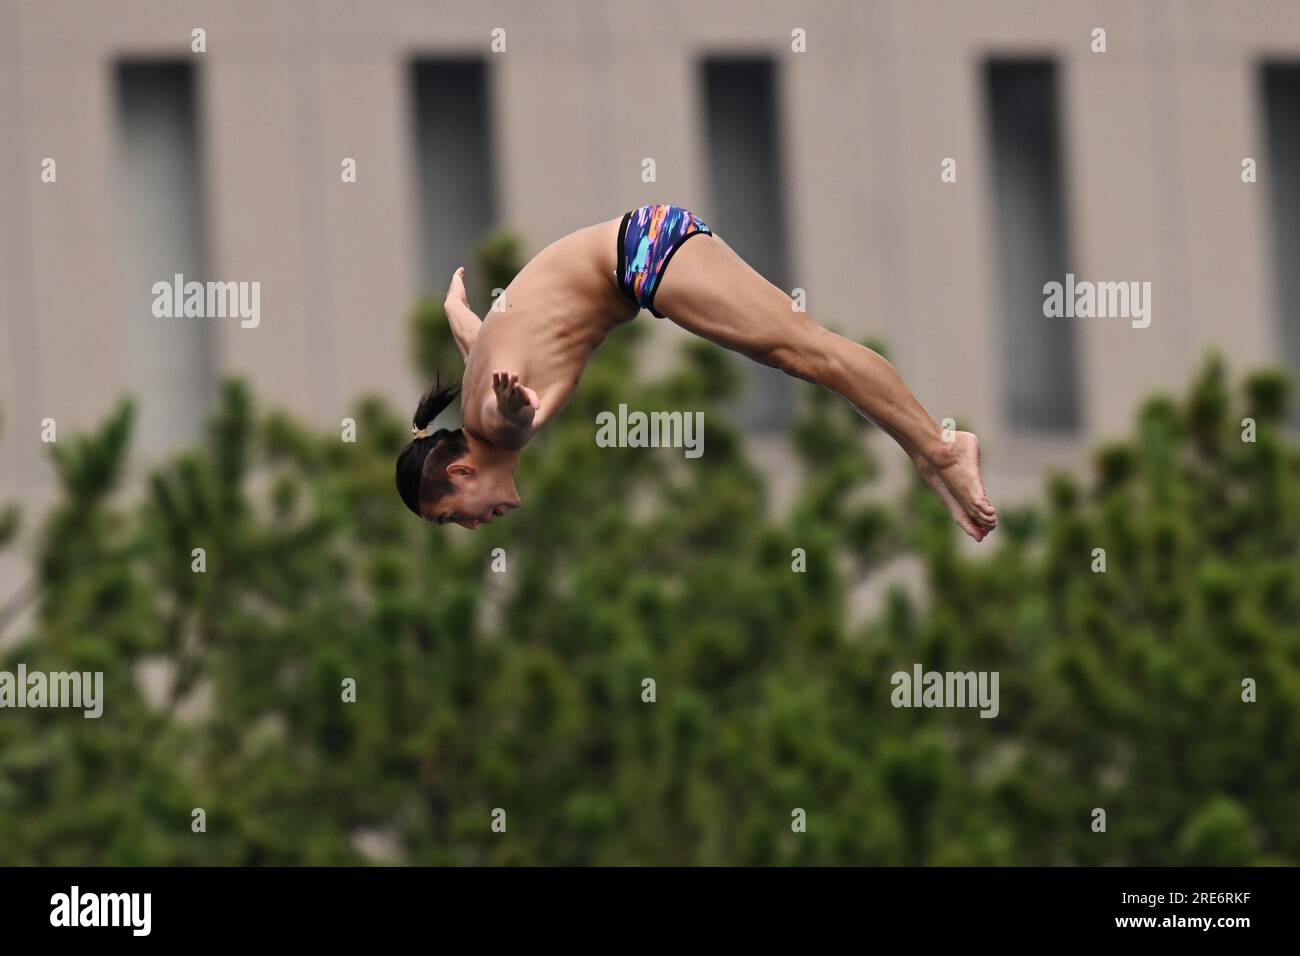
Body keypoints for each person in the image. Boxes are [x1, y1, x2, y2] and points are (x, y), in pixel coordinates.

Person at [395, 203, 997, 541]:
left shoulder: (496, 425)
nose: (472, 526)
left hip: (642, 255)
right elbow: (480, 342)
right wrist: (457, 312)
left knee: (804, 348)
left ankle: (941, 449)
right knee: (795, 356)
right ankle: (924, 451)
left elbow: (513, 415)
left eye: (455, 513)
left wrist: (518, 408)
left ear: (461, 469)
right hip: (640, 253)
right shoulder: (477, 393)